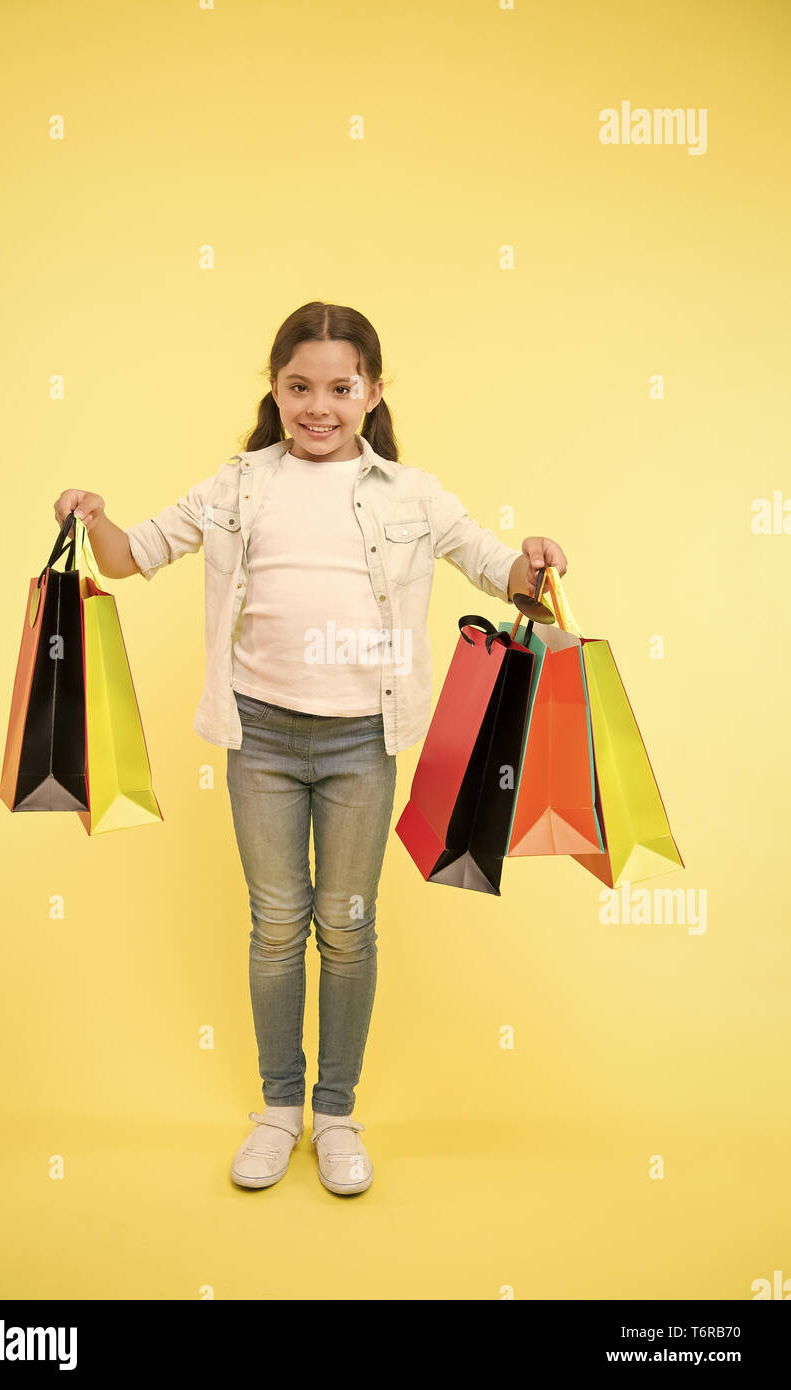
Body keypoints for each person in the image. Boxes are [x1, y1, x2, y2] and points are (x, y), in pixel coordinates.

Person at [53, 300, 568, 1198]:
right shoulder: (235, 484)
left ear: (371, 392)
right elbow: (130, 557)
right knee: (275, 924)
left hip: (362, 742)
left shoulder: (413, 494)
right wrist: (92, 516)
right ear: (275, 388)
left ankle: (336, 1114)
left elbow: (500, 571)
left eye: (339, 387)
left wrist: (535, 560)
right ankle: (277, 1110)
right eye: (299, 387)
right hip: (261, 738)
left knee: (347, 924)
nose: (318, 406)